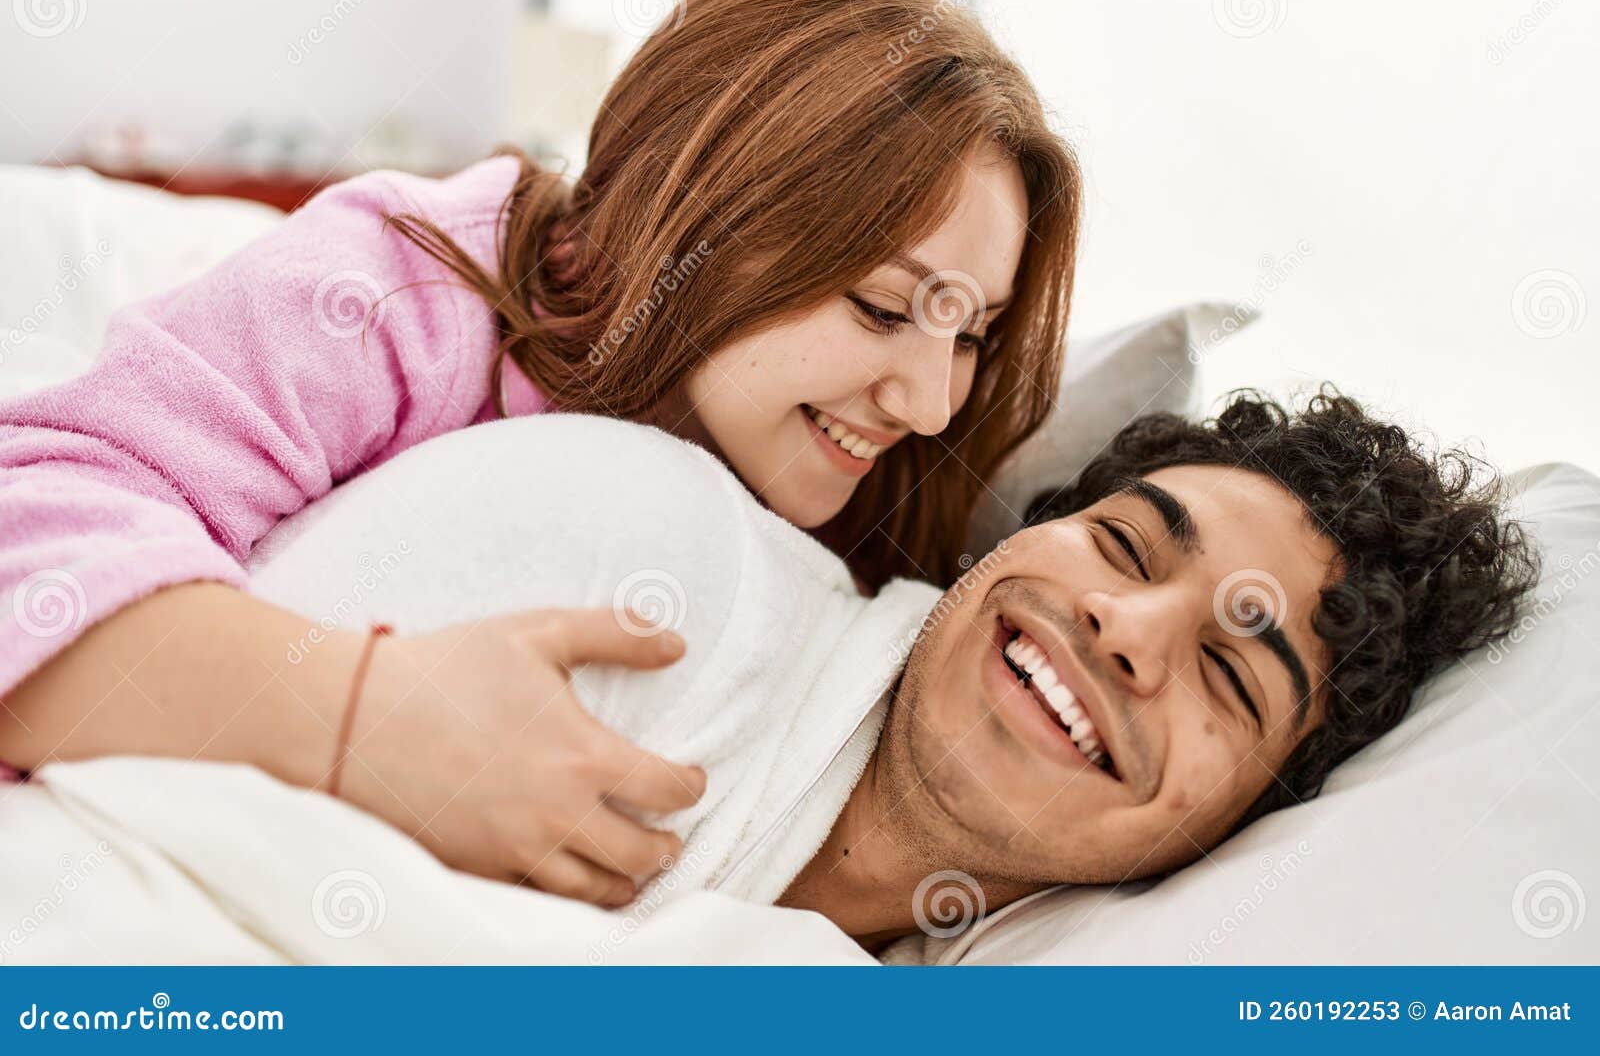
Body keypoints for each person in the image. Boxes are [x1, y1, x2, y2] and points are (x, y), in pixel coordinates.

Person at [0, 0, 1080, 905]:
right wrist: (366, 721)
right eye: (882, 307)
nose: (931, 400)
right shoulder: (409, 289)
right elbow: (34, 524)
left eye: (970, 332)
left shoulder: (885, 489)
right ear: (699, 214)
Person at [23, 387, 1528, 947]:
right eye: (1131, 550)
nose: (1128, 635)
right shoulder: (646, 554)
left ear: (1245, 821)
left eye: (1231, 678)